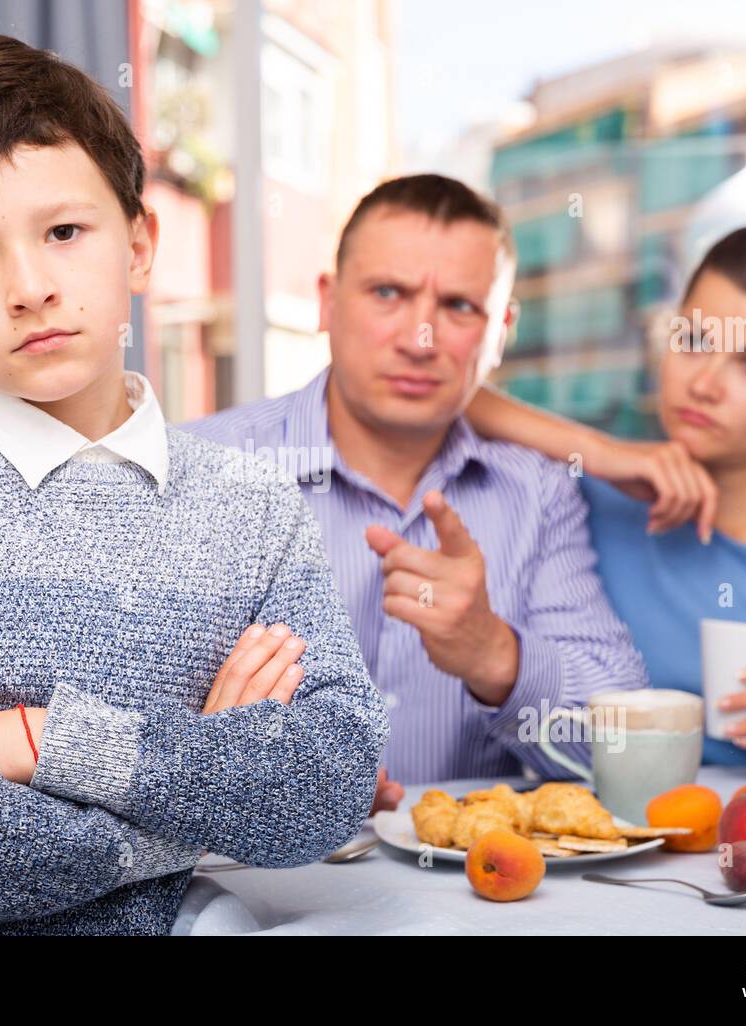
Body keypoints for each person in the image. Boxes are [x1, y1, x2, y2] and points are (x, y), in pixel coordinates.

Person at [0, 32, 388, 936]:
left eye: (63, 232)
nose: (29, 287)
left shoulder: (253, 512)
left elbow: (327, 787)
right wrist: (198, 796)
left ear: (138, 248)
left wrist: (39, 738)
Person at [181, 175, 648, 810]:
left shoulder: (538, 491)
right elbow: (103, 725)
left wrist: (496, 655)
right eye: (388, 293)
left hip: (485, 897)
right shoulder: (199, 468)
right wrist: (250, 772)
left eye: (459, 306)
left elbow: (628, 745)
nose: (418, 339)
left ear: (501, 330)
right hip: (249, 891)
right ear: (327, 302)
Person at [463, 223, 746, 777]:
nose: (704, 383)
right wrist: (600, 452)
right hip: (632, 853)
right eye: (694, 341)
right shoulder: (592, 501)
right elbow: (449, 396)